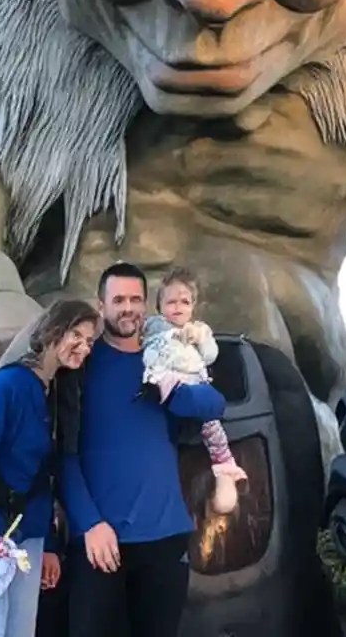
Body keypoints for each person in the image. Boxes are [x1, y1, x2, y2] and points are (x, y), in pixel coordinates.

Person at [61, 262, 228, 637]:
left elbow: (213, 405)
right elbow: (65, 455)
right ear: (100, 305)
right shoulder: (81, 365)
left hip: (164, 538)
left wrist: (169, 386)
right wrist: (88, 523)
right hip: (98, 543)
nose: (128, 308)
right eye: (118, 299)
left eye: (136, 299)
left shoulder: (163, 358)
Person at [0, 299, 100, 637]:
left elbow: (40, 477)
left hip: (25, 544)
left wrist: (46, 545)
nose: (84, 347)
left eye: (89, 341)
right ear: (54, 331)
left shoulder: (52, 393)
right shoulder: (3, 389)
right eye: (76, 334)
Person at [141, 267, 248, 515]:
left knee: (211, 425)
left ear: (193, 306)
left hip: (192, 383)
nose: (177, 307)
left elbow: (211, 355)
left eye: (184, 302)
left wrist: (200, 338)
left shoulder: (199, 330)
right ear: (159, 306)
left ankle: (225, 468)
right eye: (170, 302)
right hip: (162, 382)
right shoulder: (154, 326)